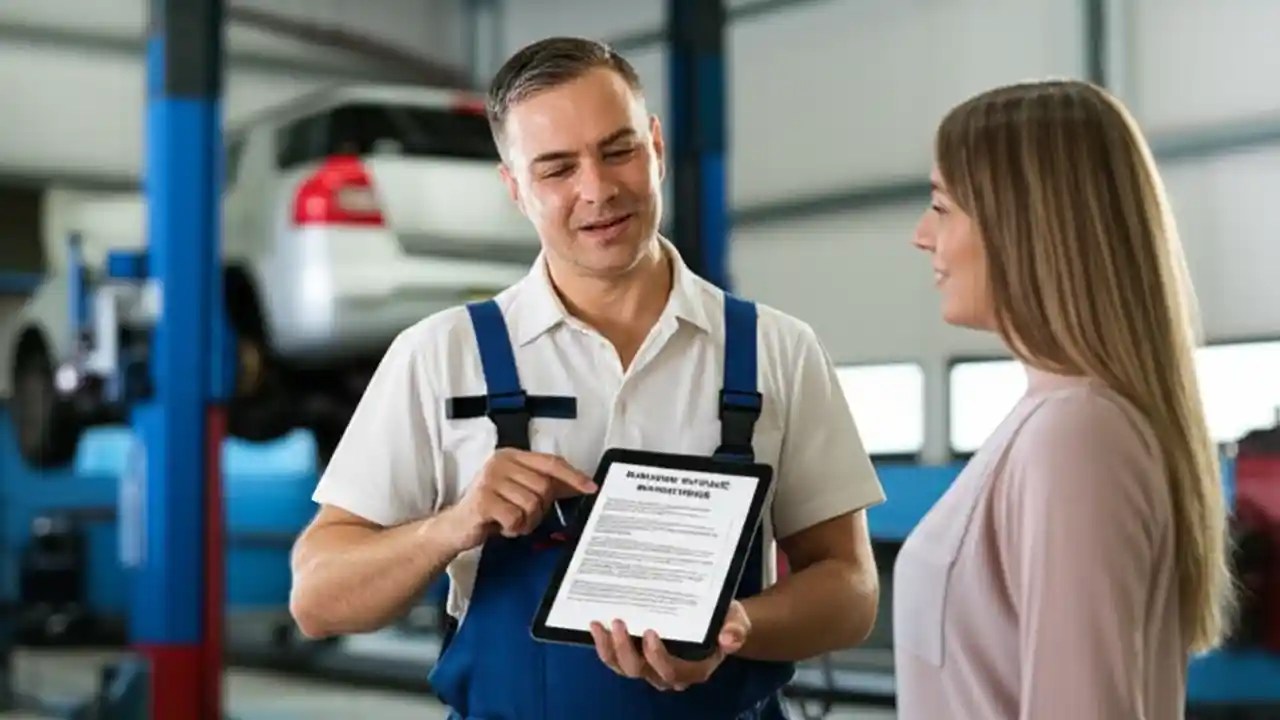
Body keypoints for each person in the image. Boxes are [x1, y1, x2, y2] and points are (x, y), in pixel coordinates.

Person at [288, 36, 885, 720]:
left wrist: (738, 625)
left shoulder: (775, 350)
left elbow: (851, 588)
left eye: (618, 149)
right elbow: (317, 599)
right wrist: (451, 527)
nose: (597, 190)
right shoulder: (441, 356)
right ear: (514, 187)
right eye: (556, 169)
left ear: (655, 145)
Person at [894, 78, 1236, 719]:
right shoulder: (1052, 419)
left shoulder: (1076, 434)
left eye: (941, 207)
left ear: (1021, 222)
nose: (922, 234)